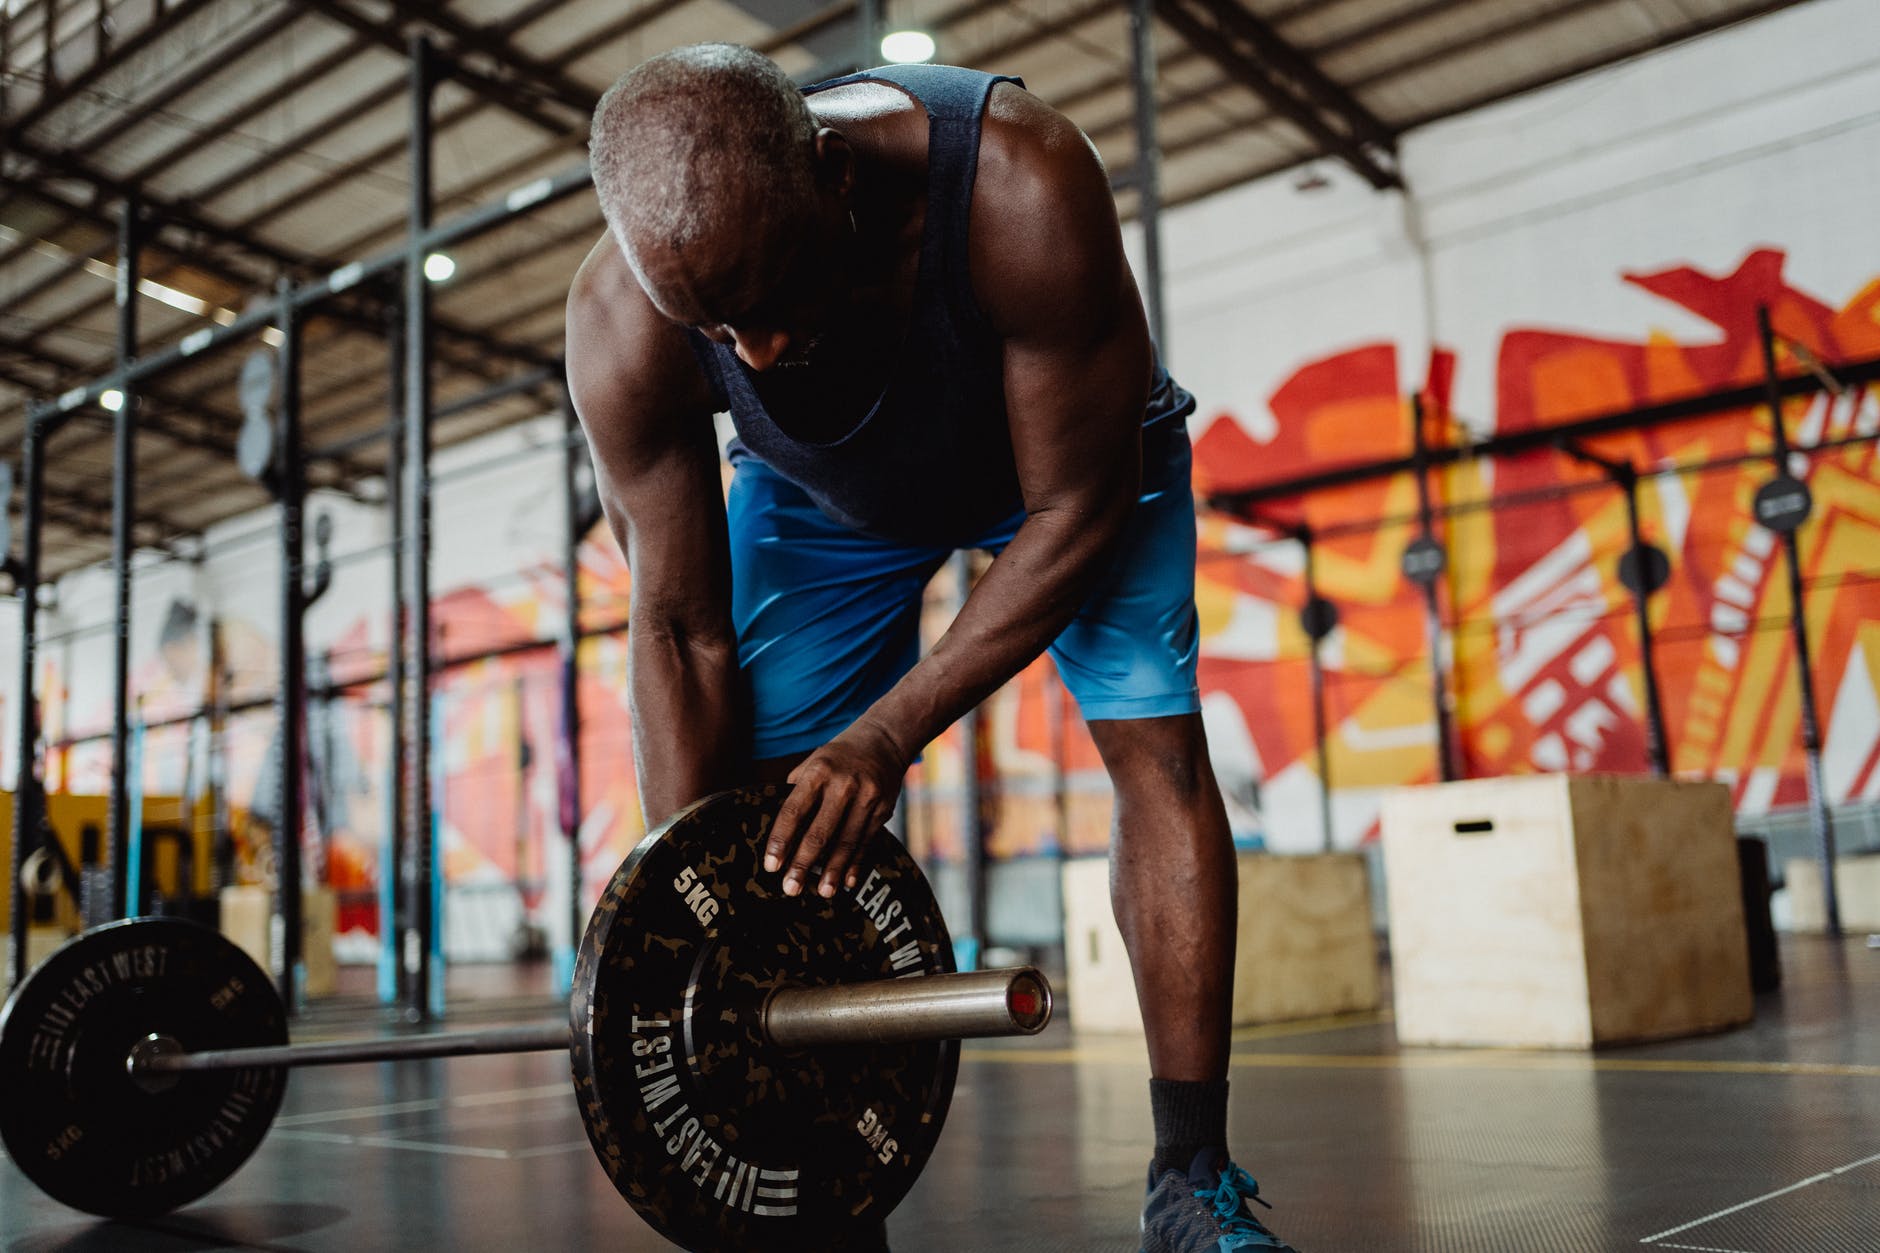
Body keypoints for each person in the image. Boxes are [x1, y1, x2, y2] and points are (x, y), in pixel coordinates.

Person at [565, 43, 1300, 1253]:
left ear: (834, 173)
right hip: (827, 498)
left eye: (780, 297)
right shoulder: (624, 319)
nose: (752, 354)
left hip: (1066, 471)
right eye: (719, 328)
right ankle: (815, 1187)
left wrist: (888, 732)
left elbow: (1077, 513)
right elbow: (677, 627)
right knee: (765, 804)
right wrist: (688, 919)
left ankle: (1189, 1175)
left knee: (1157, 756)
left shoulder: (1018, 186)